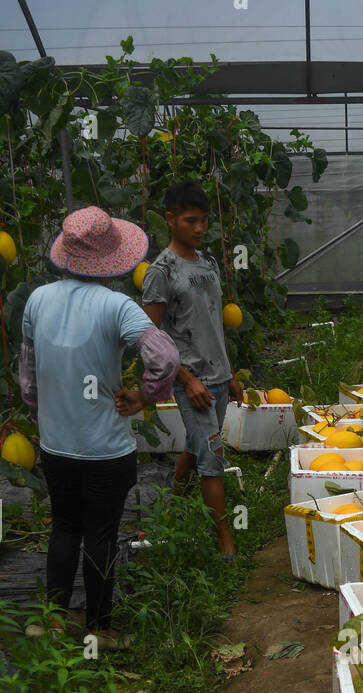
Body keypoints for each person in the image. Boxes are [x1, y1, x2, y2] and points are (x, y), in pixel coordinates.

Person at [19, 206, 179, 648]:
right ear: (112, 257)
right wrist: (146, 394)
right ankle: (99, 628)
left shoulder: (38, 300)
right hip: (105, 450)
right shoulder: (117, 306)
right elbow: (164, 358)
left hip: (57, 446)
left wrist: (41, 415)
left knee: (64, 527)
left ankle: (51, 620)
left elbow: (29, 375)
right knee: (101, 535)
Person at [141, 182, 245, 558]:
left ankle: (172, 508)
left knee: (197, 443)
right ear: (170, 219)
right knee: (213, 454)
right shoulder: (161, 272)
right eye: (190, 221)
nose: (199, 229)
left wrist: (230, 373)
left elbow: (214, 323)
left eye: (203, 221)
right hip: (191, 380)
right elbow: (149, 336)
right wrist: (185, 379)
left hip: (218, 375)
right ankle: (225, 541)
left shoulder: (208, 263)